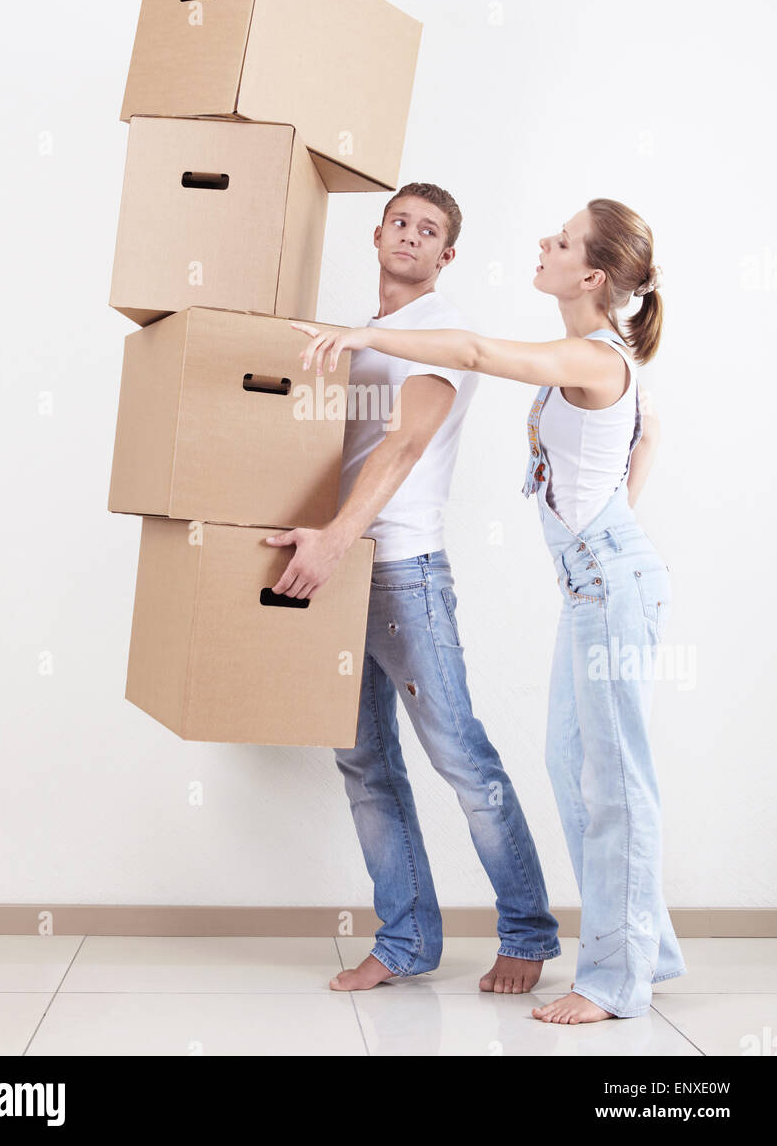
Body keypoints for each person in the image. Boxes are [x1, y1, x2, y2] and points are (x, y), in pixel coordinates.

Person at [293, 197, 687, 1022]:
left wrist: (364, 337)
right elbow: (648, 435)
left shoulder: (591, 356)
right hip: (596, 582)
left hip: (603, 584)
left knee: (614, 788)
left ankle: (613, 981)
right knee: (574, 776)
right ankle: (644, 948)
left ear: (592, 275)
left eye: (563, 239)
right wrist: (606, 532)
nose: (544, 243)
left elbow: (471, 351)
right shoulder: (597, 355)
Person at [267, 182, 561, 993]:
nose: (411, 236)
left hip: (401, 570)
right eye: (400, 221)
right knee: (363, 761)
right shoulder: (357, 338)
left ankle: (529, 932)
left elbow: (403, 446)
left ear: (447, 254)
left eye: (429, 230)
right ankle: (405, 942)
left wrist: (335, 538)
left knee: (460, 758)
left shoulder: (438, 331)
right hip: (339, 563)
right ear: (377, 233)